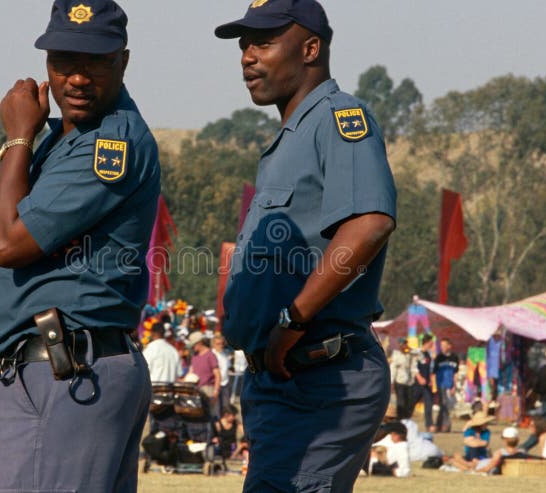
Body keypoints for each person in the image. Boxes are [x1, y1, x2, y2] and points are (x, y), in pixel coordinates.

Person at [215, 0, 397, 489]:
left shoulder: (340, 117)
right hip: (284, 383)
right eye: (244, 44)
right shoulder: (292, 136)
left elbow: (369, 225)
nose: (247, 57)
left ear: (311, 48)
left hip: (320, 376)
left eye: (264, 42)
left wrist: (291, 319)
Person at [0, 1, 160, 491]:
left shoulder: (111, 144)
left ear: (123, 61)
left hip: (67, 372)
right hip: (62, 370)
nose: (76, 78)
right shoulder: (69, 137)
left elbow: (7, 242)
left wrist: (17, 139)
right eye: (63, 61)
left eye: (94, 61)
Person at [434, 338, 460, 432]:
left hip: (450, 385)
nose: (443, 348)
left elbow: (456, 373)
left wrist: (454, 386)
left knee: (446, 406)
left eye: (445, 346)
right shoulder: (439, 357)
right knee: (443, 404)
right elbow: (434, 373)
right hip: (441, 385)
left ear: (450, 346)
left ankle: (439, 425)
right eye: (441, 346)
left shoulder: (454, 357)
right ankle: (446, 425)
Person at [187, 332, 221, 403]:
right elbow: (191, 372)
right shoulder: (194, 356)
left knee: (209, 413)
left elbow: (217, 375)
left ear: (199, 343)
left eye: (193, 345)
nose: (192, 347)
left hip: (208, 390)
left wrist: (215, 391)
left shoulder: (210, 355)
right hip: (195, 390)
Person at [412, 333, 436, 431]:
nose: (432, 344)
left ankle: (429, 425)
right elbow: (413, 366)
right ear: (427, 342)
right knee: (411, 403)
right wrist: (419, 378)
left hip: (426, 383)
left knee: (429, 403)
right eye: (431, 342)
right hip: (416, 383)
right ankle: (404, 421)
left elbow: (430, 369)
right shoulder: (416, 352)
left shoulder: (429, 354)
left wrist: (430, 380)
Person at [390, 337, 415, 419]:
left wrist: (409, 349)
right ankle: (400, 419)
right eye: (403, 344)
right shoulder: (396, 354)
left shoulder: (409, 354)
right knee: (401, 402)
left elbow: (420, 354)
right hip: (399, 381)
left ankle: (406, 418)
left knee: (409, 402)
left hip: (408, 382)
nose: (404, 346)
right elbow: (393, 368)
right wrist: (392, 382)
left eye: (405, 344)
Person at [211, 334, 232, 414]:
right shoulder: (211, 355)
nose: (221, 345)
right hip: (215, 384)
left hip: (225, 383)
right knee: (216, 409)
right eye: (218, 344)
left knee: (225, 407)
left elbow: (228, 367)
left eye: (222, 343)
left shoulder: (224, 354)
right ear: (213, 344)